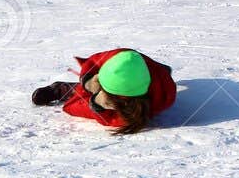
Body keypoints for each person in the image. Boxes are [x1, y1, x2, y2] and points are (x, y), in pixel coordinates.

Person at [32, 47, 176, 134]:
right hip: (143, 67)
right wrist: (87, 80)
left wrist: (97, 105)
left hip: (148, 75)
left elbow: (71, 108)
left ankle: (65, 90)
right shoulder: (123, 57)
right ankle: (160, 69)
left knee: (83, 102)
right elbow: (96, 60)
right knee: (138, 71)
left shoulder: (147, 105)